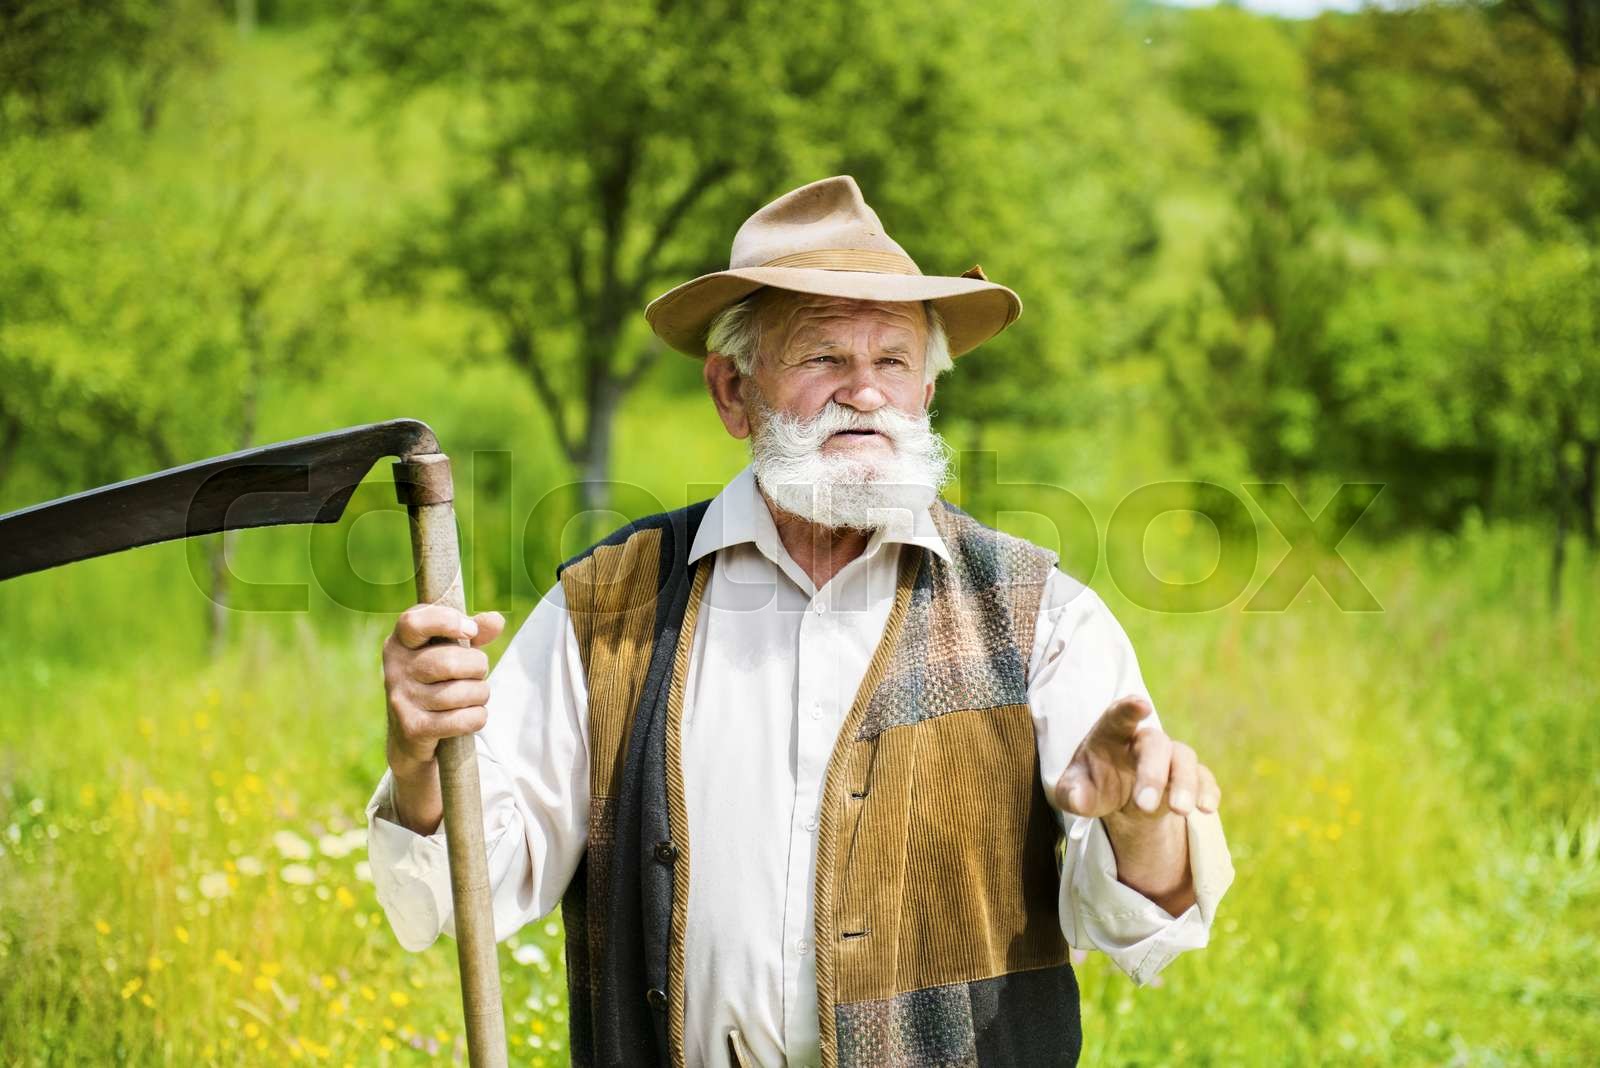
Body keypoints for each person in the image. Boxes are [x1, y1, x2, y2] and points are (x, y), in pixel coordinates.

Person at [366, 175, 1234, 1068]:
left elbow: (1145, 932)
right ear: (732, 392)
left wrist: (1139, 823)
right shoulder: (609, 607)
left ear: (926, 395)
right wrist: (421, 760)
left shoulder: (1039, 614)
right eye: (824, 357)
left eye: (894, 361)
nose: (864, 392)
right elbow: (461, 891)